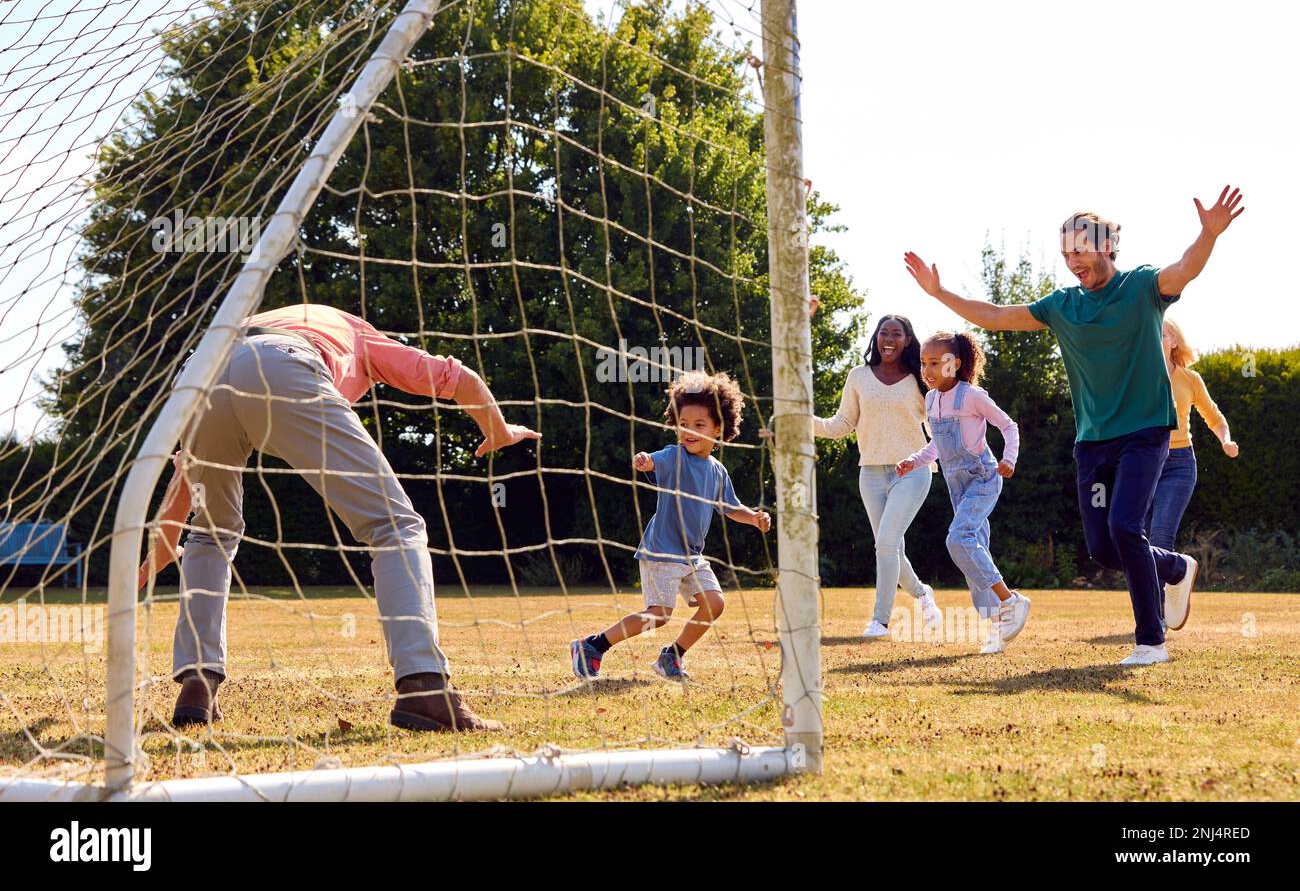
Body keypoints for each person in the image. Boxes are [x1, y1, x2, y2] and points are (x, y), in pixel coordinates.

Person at [138, 303, 540, 731]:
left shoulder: (272, 319)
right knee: (395, 526)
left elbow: (187, 479)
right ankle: (425, 689)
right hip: (283, 364)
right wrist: (498, 430)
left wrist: (162, 549)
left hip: (198, 374)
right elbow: (456, 379)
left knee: (211, 535)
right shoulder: (359, 333)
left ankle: (197, 686)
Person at [904, 185, 1245, 665]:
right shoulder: (1063, 305)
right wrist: (939, 293)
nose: (1072, 260)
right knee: (1106, 549)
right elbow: (997, 317)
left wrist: (1208, 235)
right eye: (1065, 252)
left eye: (1080, 248)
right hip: (1093, 443)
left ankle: (1151, 641)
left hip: (1146, 434)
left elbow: (1184, 267)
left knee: (1126, 527)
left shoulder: (1142, 288)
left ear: (1107, 245)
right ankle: (1174, 566)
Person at [569, 371, 770, 681]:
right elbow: (654, 461)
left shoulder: (717, 470)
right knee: (659, 616)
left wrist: (754, 517)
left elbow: (731, 508)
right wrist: (645, 461)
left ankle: (671, 657)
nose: (688, 431)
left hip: (692, 556)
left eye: (699, 425)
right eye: (683, 424)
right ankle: (593, 646)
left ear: (719, 429)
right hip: (662, 551)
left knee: (714, 604)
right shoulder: (674, 456)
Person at [809, 315, 944, 638]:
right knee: (890, 548)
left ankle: (879, 621)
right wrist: (803, 420)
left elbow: (943, 421)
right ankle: (923, 593)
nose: (889, 338)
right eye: (884, 332)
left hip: (912, 472)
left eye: (897, 334)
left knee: (885, 544)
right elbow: (841, 425)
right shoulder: (858, 376)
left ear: (907, 340)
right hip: (870, 474)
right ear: (876, 337)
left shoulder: (919, 378)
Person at [896, 332, 1030, 653]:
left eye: (934, 363)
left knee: (959, 540)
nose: (927, 370)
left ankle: (1010, 599)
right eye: (923, 363)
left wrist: (1008, 458)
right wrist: (914, 461)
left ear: (954, 364)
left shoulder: (972, 396)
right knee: (972, 549)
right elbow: (937, 446)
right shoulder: (930, 400)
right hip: (957, 486)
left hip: (983, 478)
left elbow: (1008, 426)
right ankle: (999, 627)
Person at [1147, 318, 1238, 555]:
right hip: (1143, 461)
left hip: (1179, 464)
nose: (1156, 339)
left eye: (1162, 334)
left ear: (1174, 341)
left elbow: (1215, 418)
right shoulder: (1136, 377)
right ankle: (1178, 575)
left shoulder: (1190, 379)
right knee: (1133, 537)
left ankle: (1164, 588)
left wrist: (1226, 440)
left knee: (1160, 538)